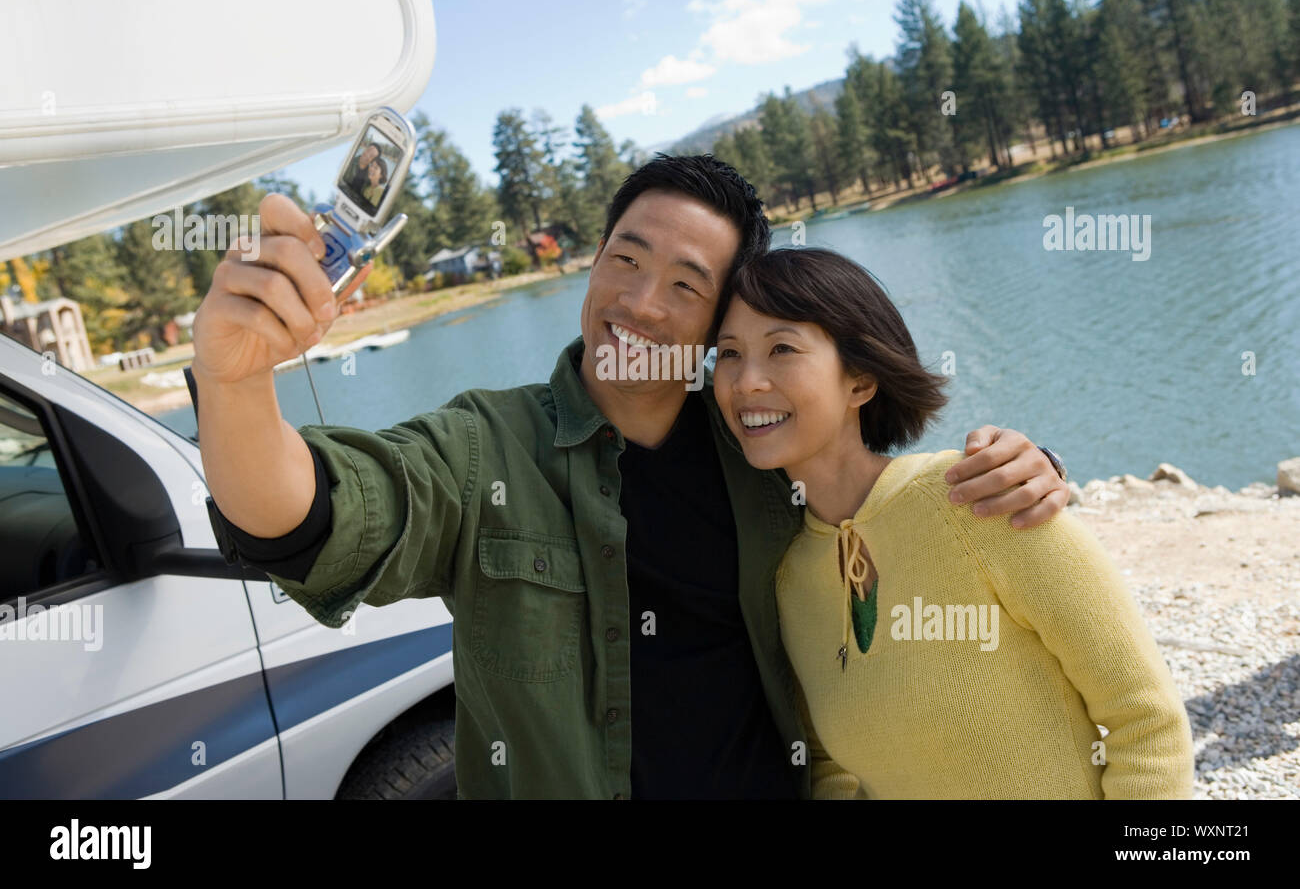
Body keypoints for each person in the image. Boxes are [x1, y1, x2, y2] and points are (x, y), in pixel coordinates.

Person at [189, 153, 1071, 799]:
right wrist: (234, 385)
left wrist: (1020, 469)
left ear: (718, 318)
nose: (641, 303)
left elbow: (887, 497)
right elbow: (314, 518)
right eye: (626, 259)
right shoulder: (485, 446)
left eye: (686, 286)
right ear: (595, 259)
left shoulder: (761, 449)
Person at [711, 245, 1194, 799]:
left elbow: (1148, 723)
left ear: (861, 381)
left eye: (782, 348)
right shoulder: (790, 577)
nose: (747, 381)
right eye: (729, 354)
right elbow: (830, 765)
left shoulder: (981, 500)